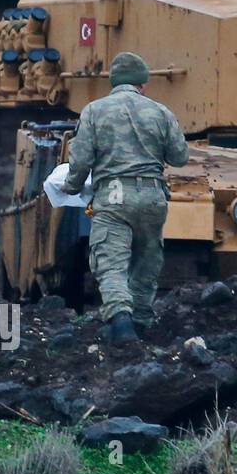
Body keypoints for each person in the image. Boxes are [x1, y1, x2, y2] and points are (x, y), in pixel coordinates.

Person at [61, 52, 189, 345]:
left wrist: (70, 186)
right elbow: (180, 157)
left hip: (114, 197)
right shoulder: (161, 112)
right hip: (153, 196)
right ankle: (142, 321)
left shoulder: (94, 111)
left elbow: (80, 161)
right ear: (143, 84)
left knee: (111, 261)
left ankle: (121, 322)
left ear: (114, 83)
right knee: (147, 260)